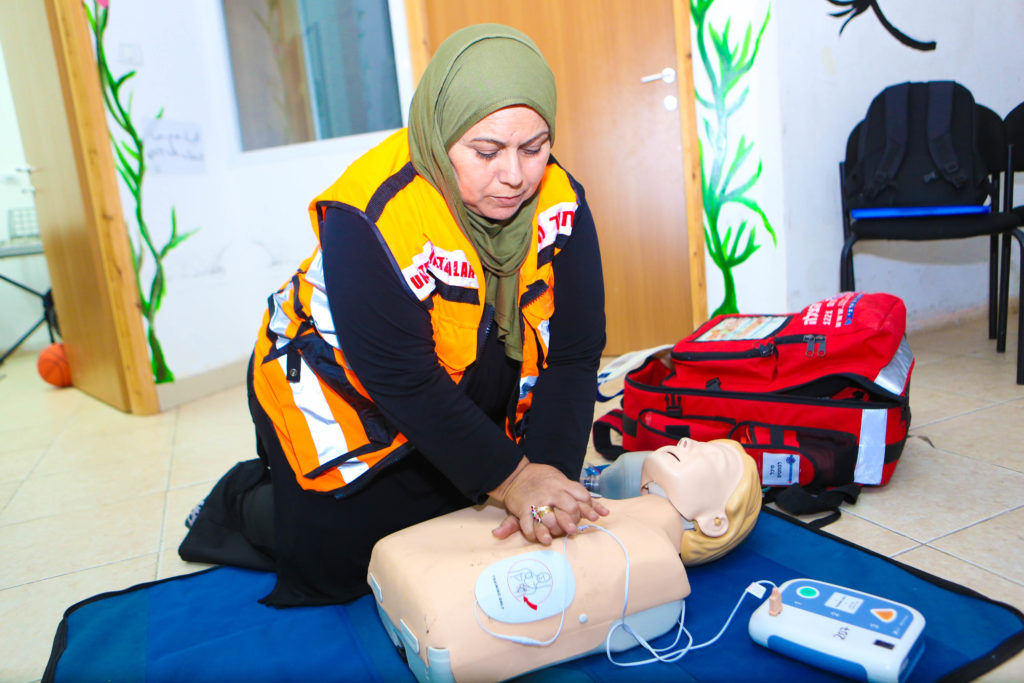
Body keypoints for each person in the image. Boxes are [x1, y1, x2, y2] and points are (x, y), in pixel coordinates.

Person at [180, 23, 609, 607]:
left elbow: (576, 353)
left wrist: (547, 482)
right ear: (439, 132)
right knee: (348, 566)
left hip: (457, 375)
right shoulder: (368, 214)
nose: (514, 175)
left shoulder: (562, 199)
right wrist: (512, 479)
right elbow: (400, 378)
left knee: (466, 517)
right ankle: (247, 497)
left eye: (534, 148)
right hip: (340, 389)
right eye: (485, 151)